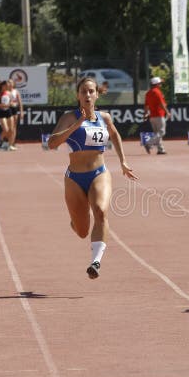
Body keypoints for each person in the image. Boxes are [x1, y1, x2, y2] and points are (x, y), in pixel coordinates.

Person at [46, 76, 138, 278]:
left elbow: (114, 135)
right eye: (83, 92)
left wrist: (123, 161)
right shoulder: (69, 117)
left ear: (97, 94)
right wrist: (77, 124)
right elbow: (51, 144)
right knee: (81, 231)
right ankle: (75, 221)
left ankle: (96, 262)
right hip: (74, 179)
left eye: (91, 91)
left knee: (101, 212)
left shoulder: (104, 118)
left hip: (99, 173)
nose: (87, 95)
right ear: (78, 95)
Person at [143, 76, 169, 155]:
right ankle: (148, 143)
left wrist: (145, 114)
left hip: (152, 116)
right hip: (159, 115)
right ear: (156, 84)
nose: (161, 84)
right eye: (160, 83)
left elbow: (146, 105)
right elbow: (161, 104)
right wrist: (167, 112)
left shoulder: (148, 93)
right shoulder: (157, 92)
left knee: (157, 134)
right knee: (161, 132)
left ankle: (160, 149)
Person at [0, 80, 13, 150]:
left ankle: (6, 143)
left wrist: (9, 104)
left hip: (8, 111)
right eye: (5, 85)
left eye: (7, 85)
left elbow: (11, 102)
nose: (7, 86)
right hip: (2, 112)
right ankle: (0, 141)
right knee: (6, 129)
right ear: (2, 86)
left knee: (11, 130)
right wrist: (1, 105)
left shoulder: (9, 93)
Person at [8, 79, 24, 149]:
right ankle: (7, 142)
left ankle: (12, 143)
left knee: (14, 127)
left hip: (14, 110)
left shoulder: (16, 91)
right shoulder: (5, 92)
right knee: (8, 128)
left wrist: (21, 111)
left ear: (13, 84)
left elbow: (20, 102)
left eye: (11, 83)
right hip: (7, 110)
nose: (10, 84)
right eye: (8, 83)